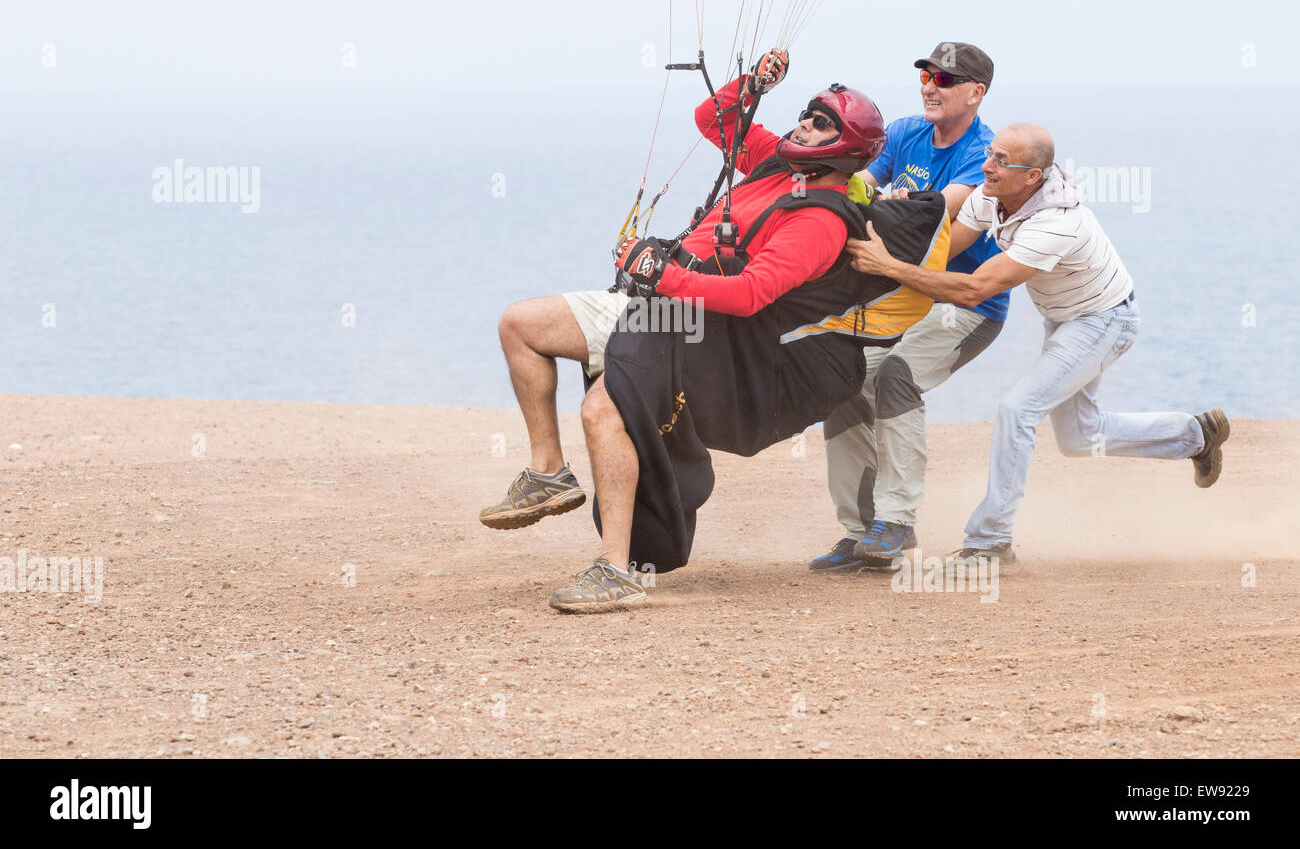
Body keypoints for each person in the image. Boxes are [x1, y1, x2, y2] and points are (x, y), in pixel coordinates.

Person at [479, 49, 949, 612]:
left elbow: (751, 294)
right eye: (808, 113)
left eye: (822, 122)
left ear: (844, 147)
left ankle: (616, 567)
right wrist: (756, 82)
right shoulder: (778, 163)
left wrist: (665, 273)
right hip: (645, 299)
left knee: (603, 412)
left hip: (689, 323)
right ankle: (549, 472)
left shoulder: (820, 219)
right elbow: (713, 118)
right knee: (520, 325)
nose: (805, 123)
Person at [846, 122, 1229, 569]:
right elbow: (946, 253)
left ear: (1032, 176)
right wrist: (877, 253)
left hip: (1105, 320)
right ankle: (1196, 435)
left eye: (1001, 162)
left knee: (1017, 409)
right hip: (1065, 320)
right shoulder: (991, 194)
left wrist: (890, 266)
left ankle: (989, 542)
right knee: (1080, 437)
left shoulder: (1056, 223)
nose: (986, 166)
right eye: (990, 154)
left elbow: (973, 290)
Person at [811, 42, 1008, 572]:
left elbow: (941, 233)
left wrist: (876, 212)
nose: (929, 85)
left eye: (945, 80)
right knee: (842, 379)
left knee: (896, 375)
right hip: (899, 296)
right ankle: (859, 533)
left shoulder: (982, 155)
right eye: (926, 75)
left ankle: (896, 521)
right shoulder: (902, 133)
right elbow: (854, 188)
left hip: (965, 304)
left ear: (976, 92)